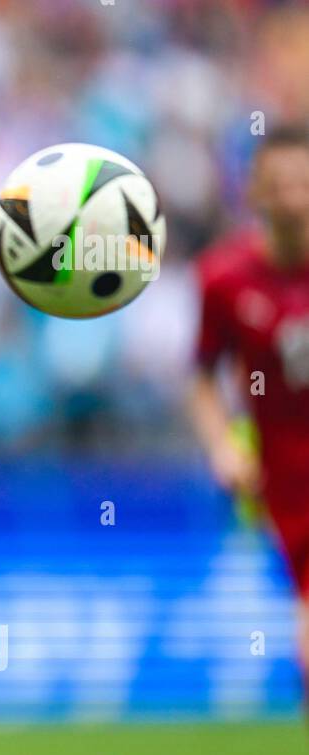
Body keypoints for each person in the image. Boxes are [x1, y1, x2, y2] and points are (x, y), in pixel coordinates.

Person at [191, 125, 309, 704]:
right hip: (287, 480)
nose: (289, 195)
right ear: (254, 192)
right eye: (276, 183)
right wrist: (222, 444)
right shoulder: (224, 279)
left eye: (301, 183)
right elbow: (201, 377)